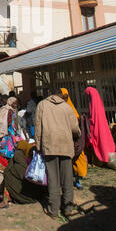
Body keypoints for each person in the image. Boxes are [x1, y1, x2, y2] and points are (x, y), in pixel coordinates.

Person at [35, 89, 81, 219]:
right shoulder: (67, 108)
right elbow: (75, 128)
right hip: (65, 145)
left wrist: (38, 145)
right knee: (67, 177)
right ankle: (68, 207)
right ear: (63, 97)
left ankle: (53, 210)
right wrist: (77, 135)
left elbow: (38, 127)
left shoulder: (42, 105)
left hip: (49, 145)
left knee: (53, 178)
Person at [0, 141, 46, 209]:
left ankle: (7, 198)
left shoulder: (17, 161)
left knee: (8, 175)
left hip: (23, 196)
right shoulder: (32, 161)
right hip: (36, 195)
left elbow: (6, 173)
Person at [61, 88, 88, 190]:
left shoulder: (70, 107)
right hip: (64, 138)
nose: (64, 98)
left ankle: (78, 179)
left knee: (78, 158)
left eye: (66, 97)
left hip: (74, 138)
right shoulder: (59, 108)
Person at [85, 87, 116, 164]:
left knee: (98, 140)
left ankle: (101, 158)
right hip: (101, 124)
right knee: (103, 139)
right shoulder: (97, 100)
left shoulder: (93, 102)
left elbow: (93, 117)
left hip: (96, 125)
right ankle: (105, 157)